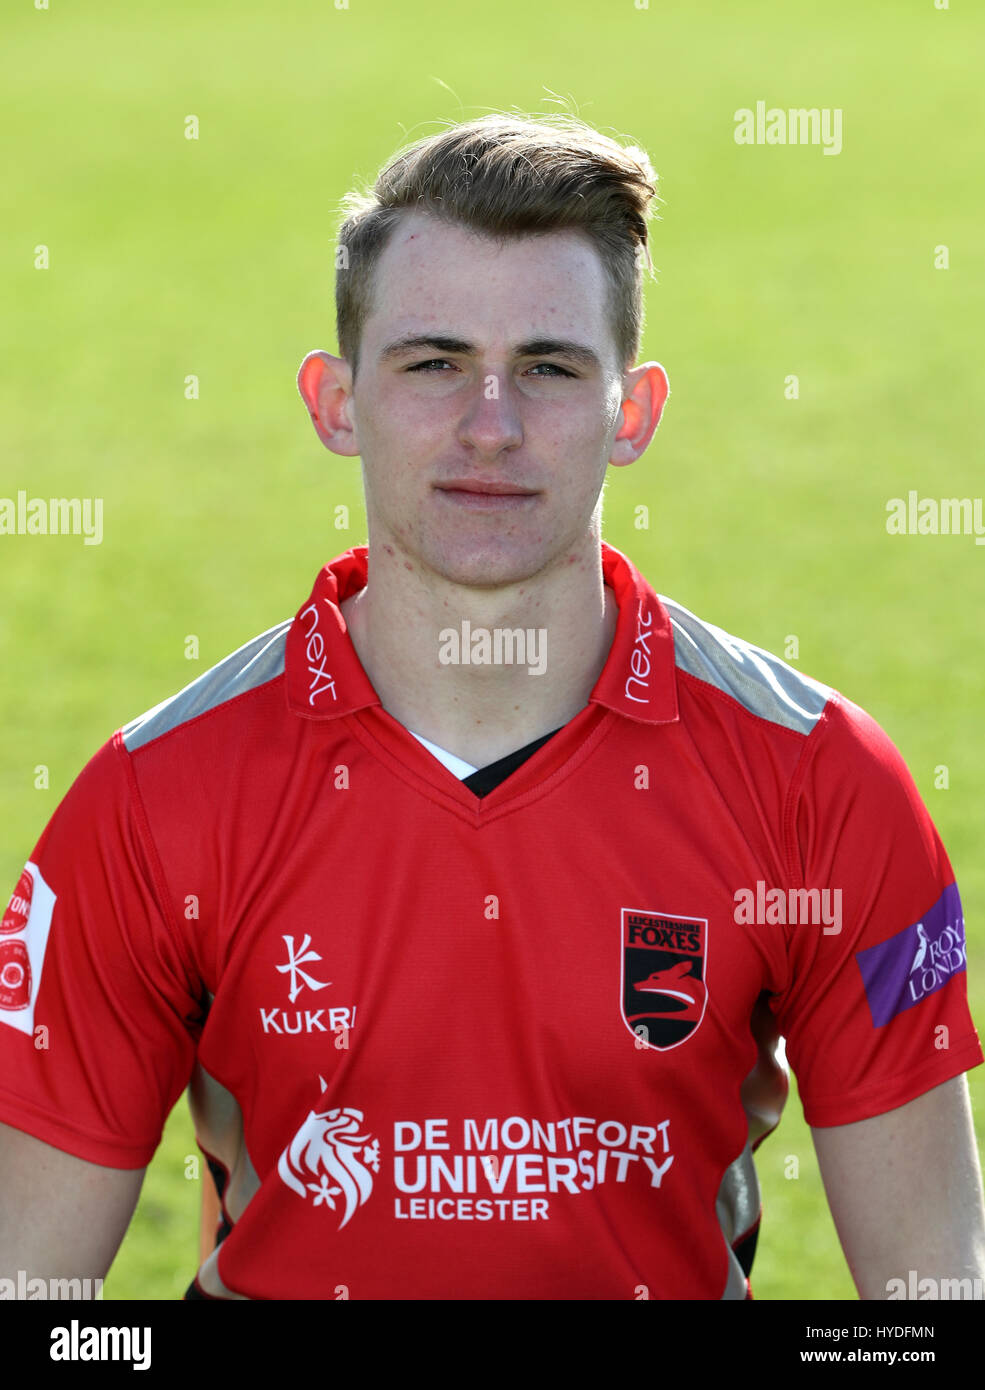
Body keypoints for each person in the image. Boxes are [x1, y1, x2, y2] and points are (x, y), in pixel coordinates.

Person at [1, 112, 983, 1301]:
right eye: (433, 363)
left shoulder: (823, 782)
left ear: (632, 413)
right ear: (335, 403)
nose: (491, 424)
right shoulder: (152, 799)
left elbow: (927, 1309)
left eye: (550, 368)